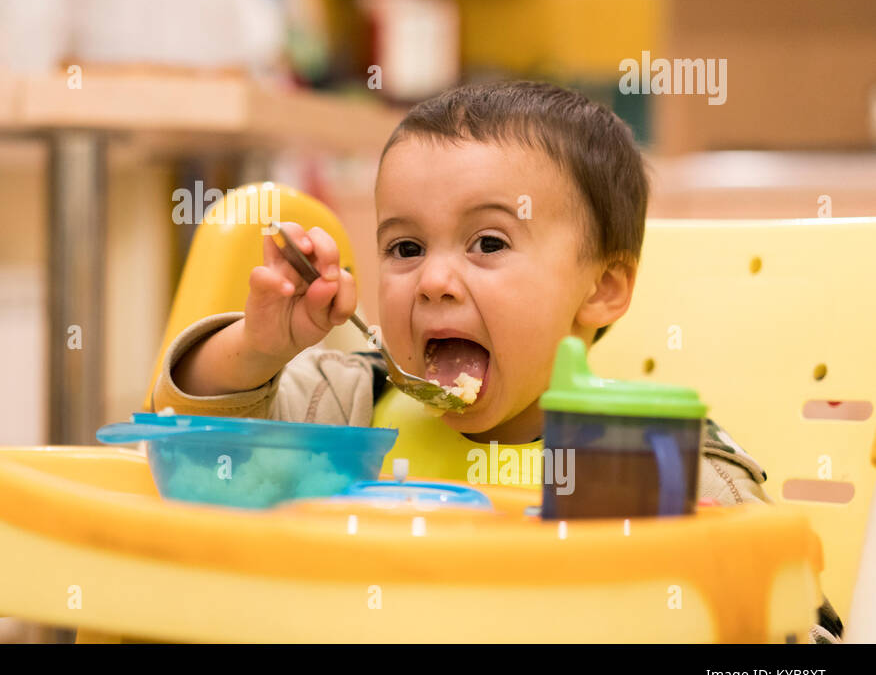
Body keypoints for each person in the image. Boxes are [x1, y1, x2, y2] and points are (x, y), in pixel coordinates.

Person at [151, 81, 842, 643]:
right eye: (405, 247)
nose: (433, 281)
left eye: (486, 242)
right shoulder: (345, 403)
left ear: (601, 288)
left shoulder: (661, 467)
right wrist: (256, 348)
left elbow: (793, 630)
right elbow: (192, 446)